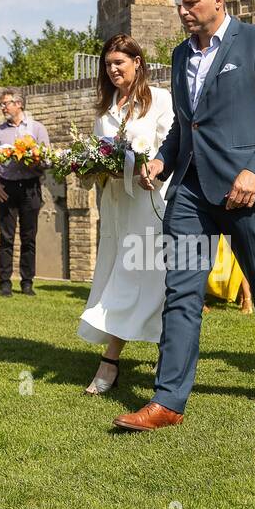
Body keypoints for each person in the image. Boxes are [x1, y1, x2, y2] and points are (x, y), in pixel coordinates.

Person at [114, 0, 255, 432]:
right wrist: (161, 161)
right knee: (181, 290)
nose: (182, 11)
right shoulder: (179, 56)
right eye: (179, 3)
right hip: (192, 193)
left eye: (191, 3)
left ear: (219, 0)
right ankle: (169, 401)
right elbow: (184, 125)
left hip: (246, 193)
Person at [79, 34, 175, 395]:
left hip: (150, 202)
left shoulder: (160, 100)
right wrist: (88, 166)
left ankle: (112, 358)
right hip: (116, 203)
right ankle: (166, 350)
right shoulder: (105, 111)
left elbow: (171, 146)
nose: (113, 69)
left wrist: (152, 169)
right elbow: (99, 153)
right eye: (107, 64)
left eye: (119, 62)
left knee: (145, 275)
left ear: (137, 62)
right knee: (119, 272)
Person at [0, 89, 49, 297]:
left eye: (6, 103)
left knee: (29, 237)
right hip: (6, 188)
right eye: (1, 104)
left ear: (19, 104)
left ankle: (27, 282)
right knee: (6, 238)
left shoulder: (37, 129)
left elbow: (48, 159)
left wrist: (35, 159)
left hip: (31, 187)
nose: (3, 107)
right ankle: (4, 283)